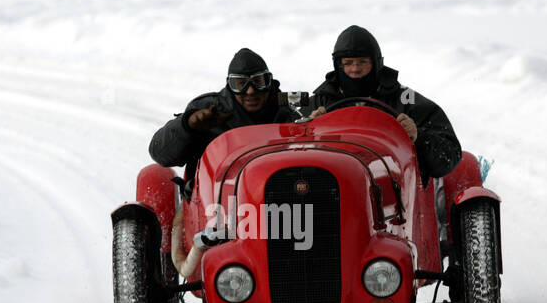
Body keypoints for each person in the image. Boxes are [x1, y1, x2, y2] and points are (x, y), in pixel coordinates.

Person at [310, 25, 461, 181]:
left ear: (376, 64)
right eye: (348, 63)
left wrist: (418, 137)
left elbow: (451, 155)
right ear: (338, 65)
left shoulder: (407, 99)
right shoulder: (319, 102)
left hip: (398, 187)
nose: (355, 69)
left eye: (362, 62)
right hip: (332, 187)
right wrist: (306, 129)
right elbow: (288, 146)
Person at [149, 47, 303, 185]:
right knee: (182, 217)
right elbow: (160, 154)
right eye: (240, 84)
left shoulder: (289, 111)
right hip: (211, 202)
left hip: (275, 196)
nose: (250, 91)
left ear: (269, 82)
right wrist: (187, 126)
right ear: (230, 86)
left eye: (258, 82)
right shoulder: (207, 111)